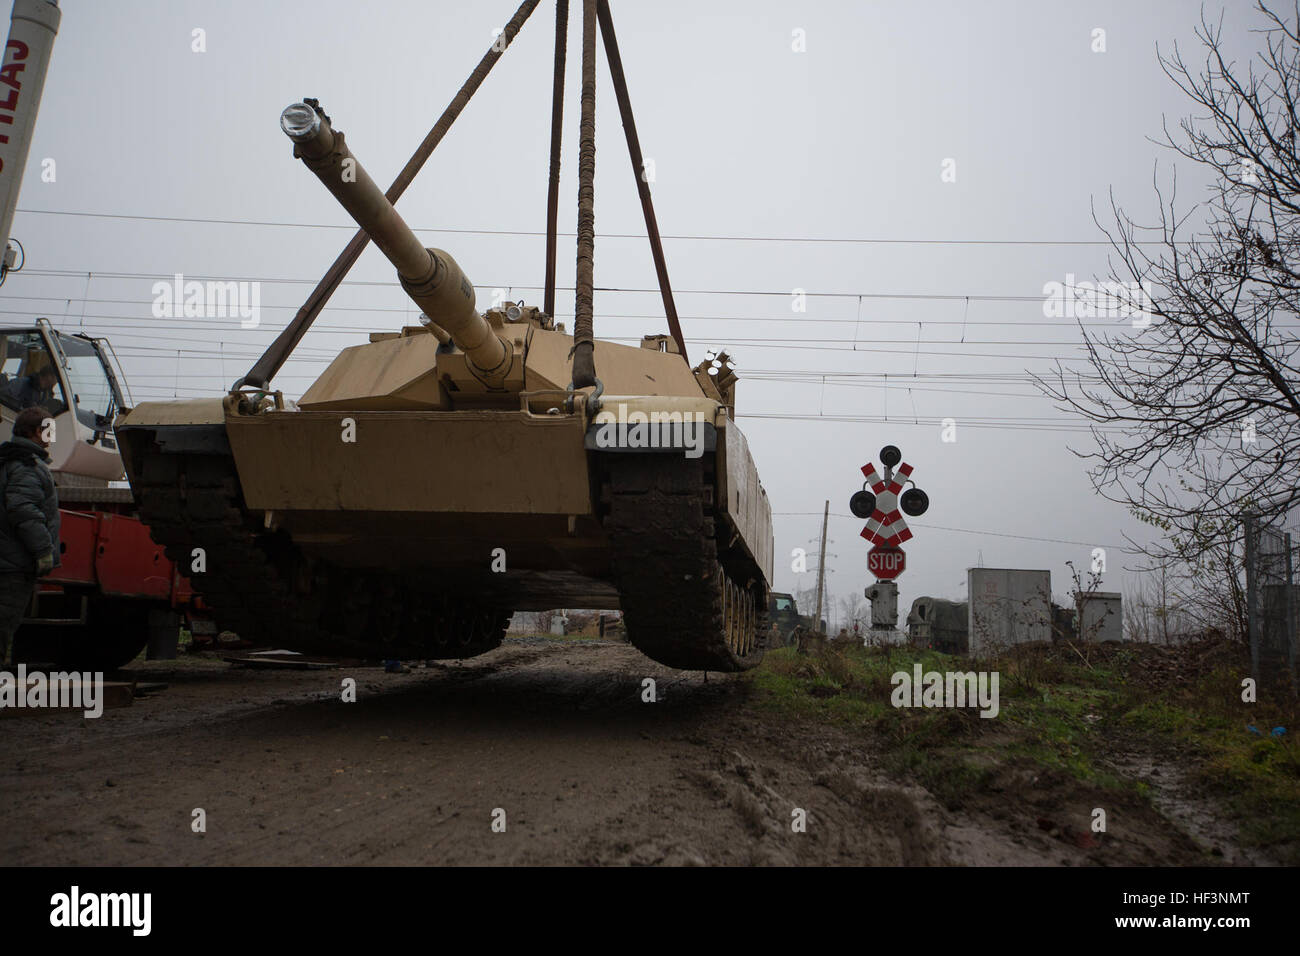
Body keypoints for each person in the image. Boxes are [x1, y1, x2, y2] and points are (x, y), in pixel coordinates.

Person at [0, 406, 60, 666]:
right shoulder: (28, 466)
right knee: (2, 628)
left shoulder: (7, 458)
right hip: (12, 566)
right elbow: (24, 511)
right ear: (37, 432)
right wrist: (43, 551)